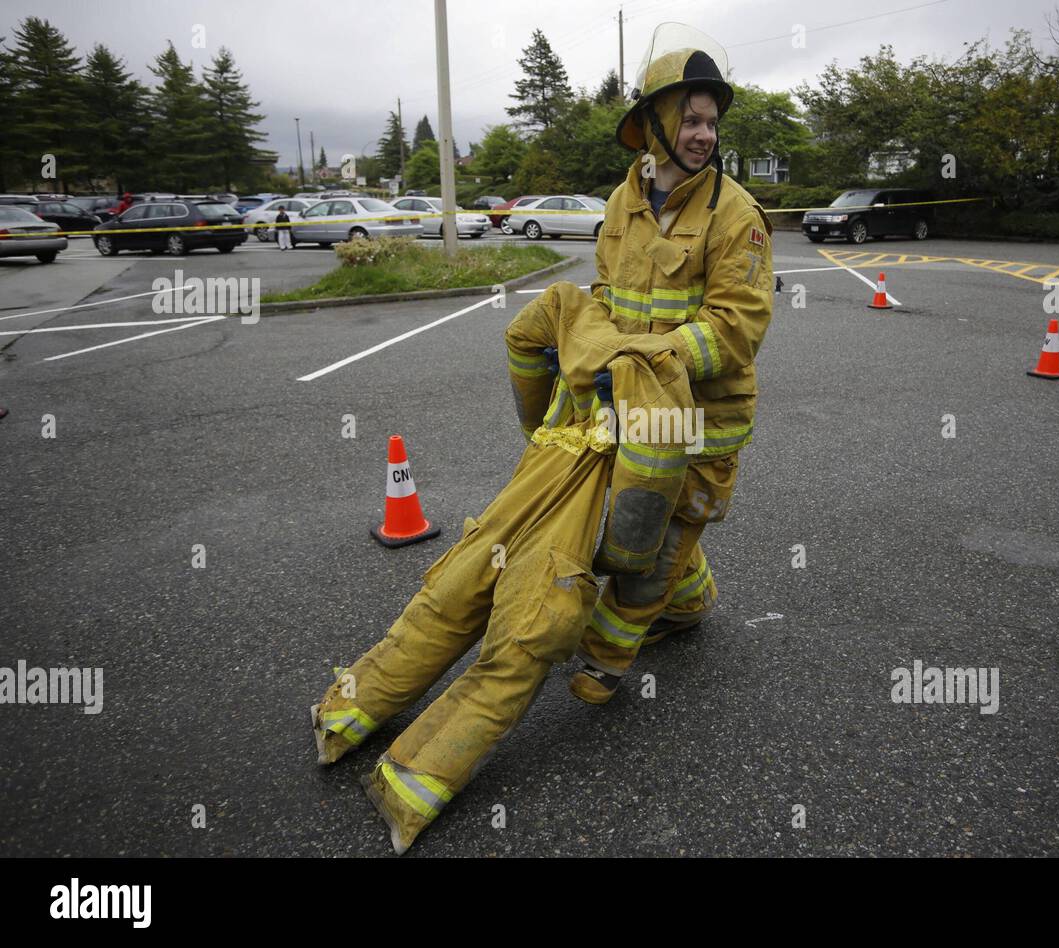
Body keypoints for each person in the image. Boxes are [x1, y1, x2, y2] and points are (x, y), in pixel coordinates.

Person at [312, 284, 698, 854]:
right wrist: (617, 558)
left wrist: (548, 423)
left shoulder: (567, 307)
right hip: (589, 474)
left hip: (545, 464)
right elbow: (652, 481)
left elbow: (524, 341)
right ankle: (411, 784)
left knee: (451, 598)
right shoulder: (655, 379)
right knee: (528, 629)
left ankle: (344, 713)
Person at [567, 23, 775, 704]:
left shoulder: (736, 213)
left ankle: (606, 658)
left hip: (705, 423)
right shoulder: (622, 204)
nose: (704, 134)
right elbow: (605, 296)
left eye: (711, 122)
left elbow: (736, 328)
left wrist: (649, 357)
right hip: (636, 414)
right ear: (655, 121)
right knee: (640, 523)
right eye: (689, 119)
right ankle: (689, 602)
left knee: (652, 545)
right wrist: (589, 349)